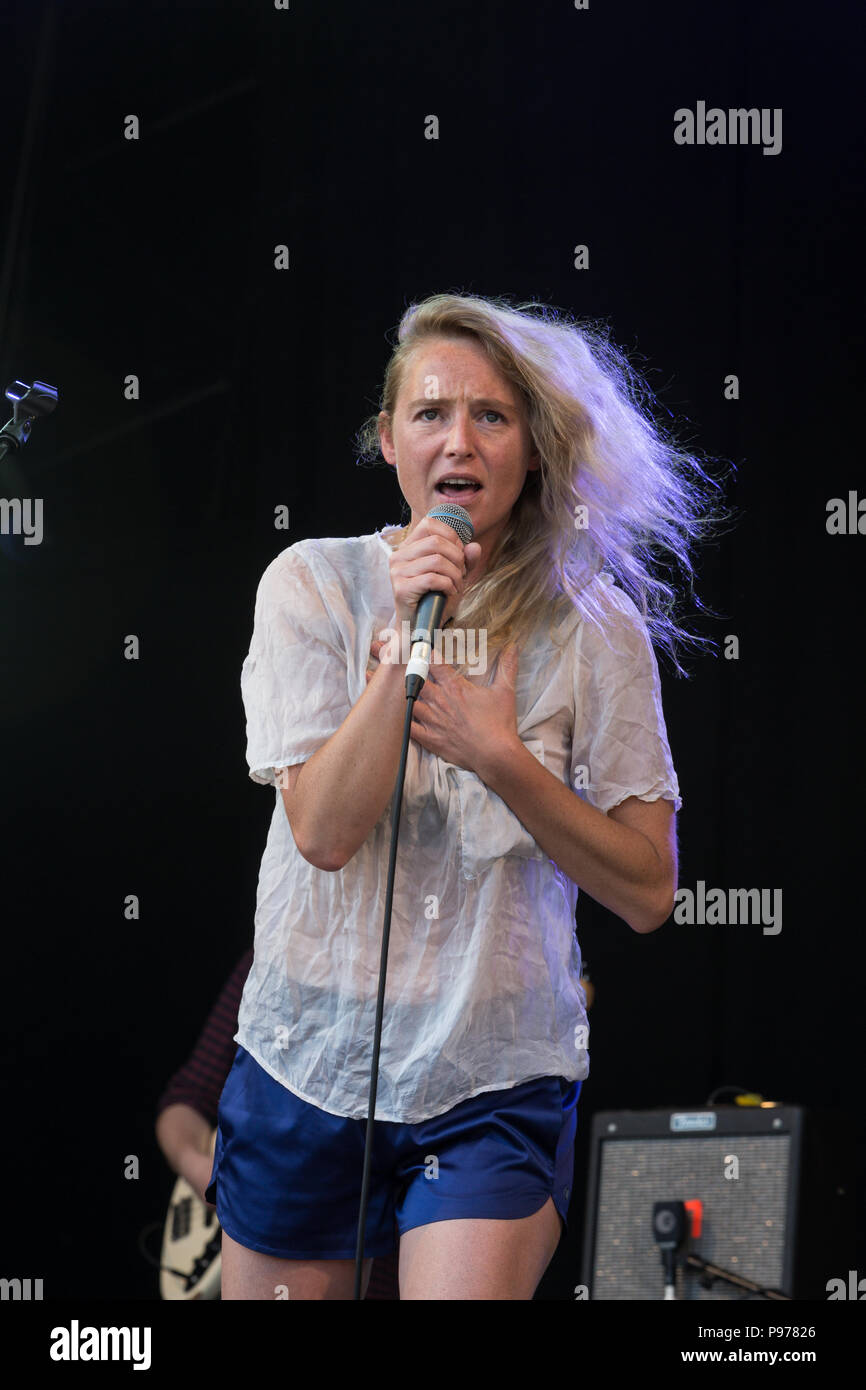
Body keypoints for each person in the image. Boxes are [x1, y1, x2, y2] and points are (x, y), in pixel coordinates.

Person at [205, 292, 726, 1300]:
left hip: (492, 1073)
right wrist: (401, 641)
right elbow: (320, 829)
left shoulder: (595, 629)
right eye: (430, 413)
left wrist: (503, 759)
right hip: (306, 1060)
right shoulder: (309, 585)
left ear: (532, 446)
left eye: (490, 414)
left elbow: (647, 892)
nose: (459, 439)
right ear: (390, 441)